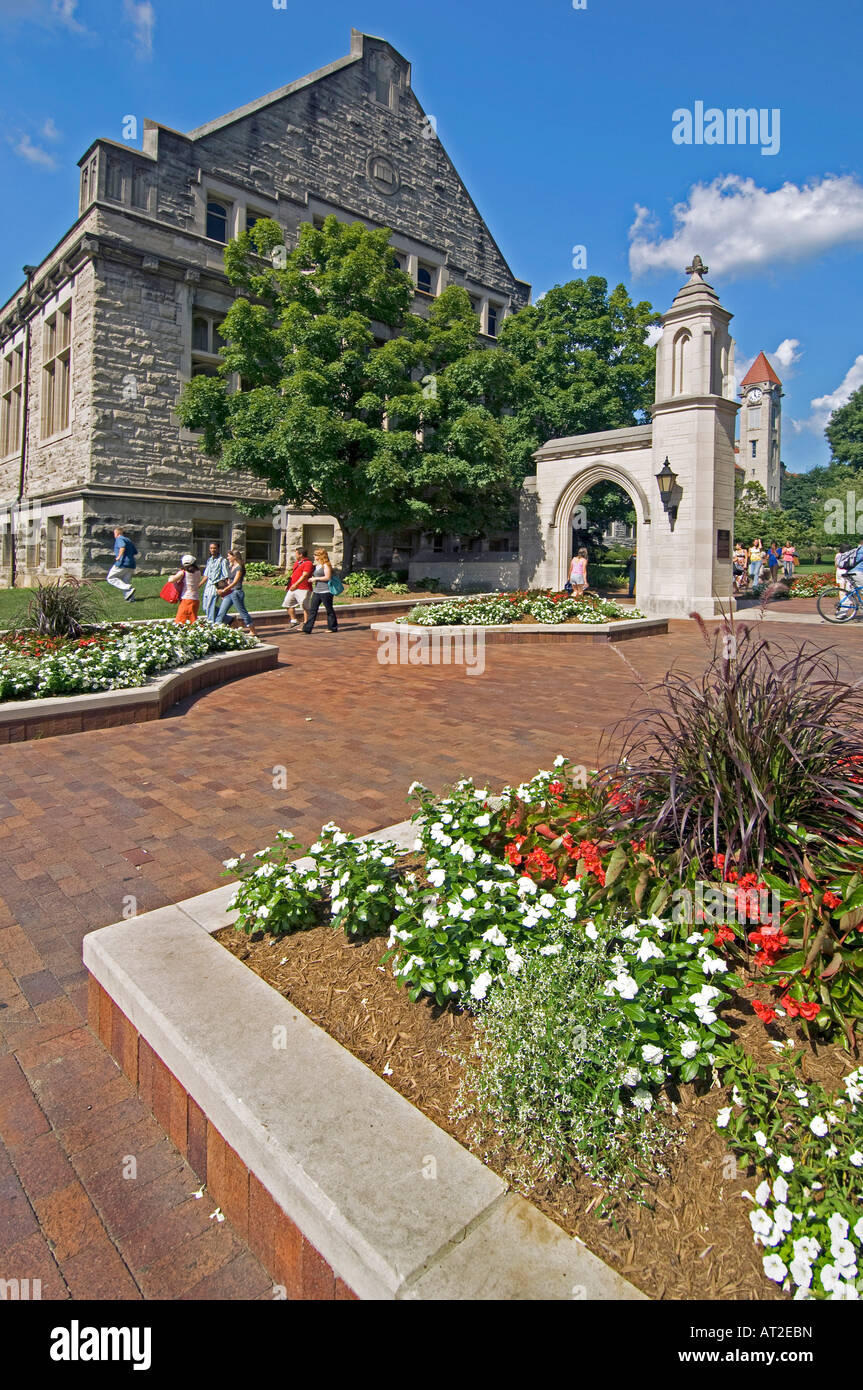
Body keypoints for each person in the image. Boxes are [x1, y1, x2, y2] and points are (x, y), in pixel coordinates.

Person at [216, 550, 256, 633]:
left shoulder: (239, 568)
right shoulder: (230, 567)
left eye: (229, 556)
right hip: (229, 593)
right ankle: (216, 631)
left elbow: (235, 582)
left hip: (236, 593)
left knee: (242, 612)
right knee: (221, 613)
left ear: (234, 557)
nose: (227, 558)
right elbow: (229, 581)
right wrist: (224, 592)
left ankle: (253, 631)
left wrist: (224, 590)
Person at [302, 548, 339, 633]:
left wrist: (315, 578)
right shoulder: (317, 565)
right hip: (317, 591)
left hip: (326, 591)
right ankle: (307, 629)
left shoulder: (326, 565)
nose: (314, 556)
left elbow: (327, 577)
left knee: (329, 610)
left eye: (315, 555)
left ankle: (333, 627)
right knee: (313, 610)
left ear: (320, 556)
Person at [282, 546, 314, 627]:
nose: (295, 555)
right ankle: (294, 621)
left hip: (303, 588)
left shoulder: (308, 563)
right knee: (288, 603)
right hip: (292, 588)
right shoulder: (297, 563)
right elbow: (293, 575)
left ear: (301, 554)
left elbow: (305, 575)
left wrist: (296, 584)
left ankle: (307, 623)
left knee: (304, 606)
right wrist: (288, 584)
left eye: (296, 553)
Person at [167, 553, 202, 625]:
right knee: (192, 619)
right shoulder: (198, 572)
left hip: (186, 598)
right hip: (195, 599)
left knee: (181, 620)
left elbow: (171, 580)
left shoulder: (183, 572)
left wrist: (171, 576)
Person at [106, 526, 137, 602]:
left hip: (122, 563)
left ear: (117, 533)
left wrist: (119, 557)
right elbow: (135, 551)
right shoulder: (128, 540)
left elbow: (122, 547)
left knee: (110, 578)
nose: (114, 535)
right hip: (131, 564)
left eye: (114, 533)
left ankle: (128, 587)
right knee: (126, 581)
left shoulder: (119, 539)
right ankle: (130, 599)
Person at [201, 542, 229, 623]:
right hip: (208, 586)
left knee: (210, 606)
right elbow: (206, 575)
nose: (213, 550)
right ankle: (227, 619)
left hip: (215, 586)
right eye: (211, 548)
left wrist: (223, 590)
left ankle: (211, 624)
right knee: (205, 607)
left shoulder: (222, 561)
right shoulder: (209, 560)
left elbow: (225, 576)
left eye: (214, 548)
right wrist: (199, 585)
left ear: (218, 549)